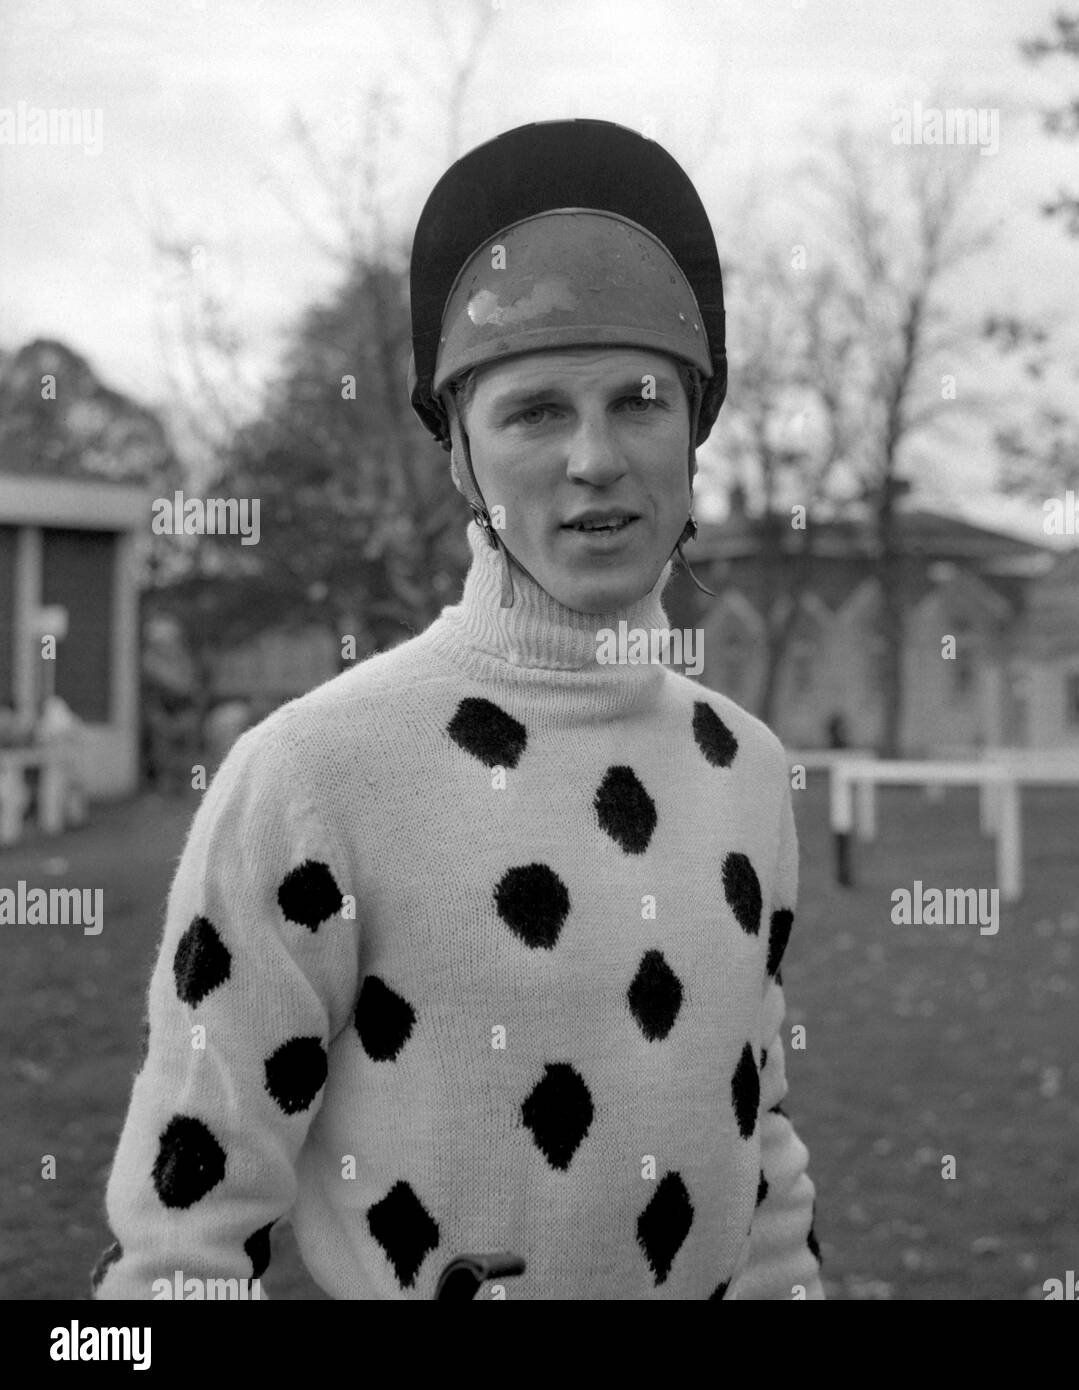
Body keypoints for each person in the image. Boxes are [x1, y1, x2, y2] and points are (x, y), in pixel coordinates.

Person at [91, 119, 823, 1300]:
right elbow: (186, 1234)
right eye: (535, 411)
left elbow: (761, 1150)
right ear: (460, 458)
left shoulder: (742, 768)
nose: (595, 458)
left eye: (638, 400)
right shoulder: (312, 773)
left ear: (694, 431)